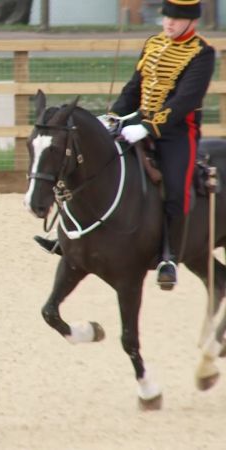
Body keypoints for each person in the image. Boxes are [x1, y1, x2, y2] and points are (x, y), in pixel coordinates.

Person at [34, 0, 215, 291]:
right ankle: (68, 236)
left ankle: (167, 256)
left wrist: (148, 128)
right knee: (89, 164)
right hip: (136, 123)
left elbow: (185, 101)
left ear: (191, 23)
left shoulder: (202, 53)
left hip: (175, 133)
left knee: (176, 188)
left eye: (176, 19)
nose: (168, 23)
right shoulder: (153, 44)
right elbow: (135, 87)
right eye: (166, 16)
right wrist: (114, 116)